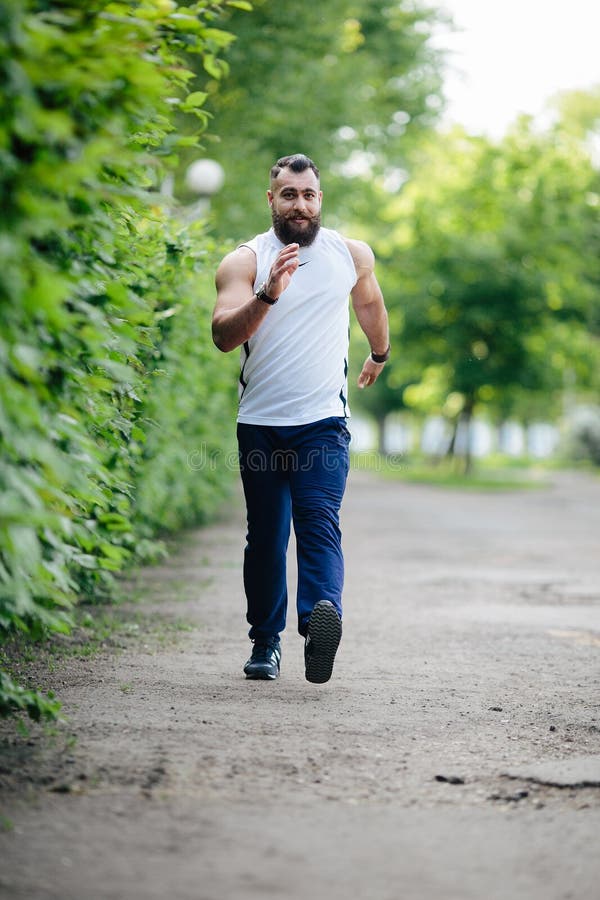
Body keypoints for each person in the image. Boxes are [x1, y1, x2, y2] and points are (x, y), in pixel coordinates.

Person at [212, 153, 389, 684]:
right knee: (267, 538)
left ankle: (319, 623)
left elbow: (369, 305)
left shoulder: (350, 254)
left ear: (320, 199)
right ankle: (265, 642)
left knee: (318, 522)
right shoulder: (244, 261)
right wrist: (268, 293)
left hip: (323, 423)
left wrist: (379, 354)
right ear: (272, 200)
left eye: (309, 194)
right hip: (260, 423)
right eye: (289, 194)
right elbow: (223, 335)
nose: (300, 205)